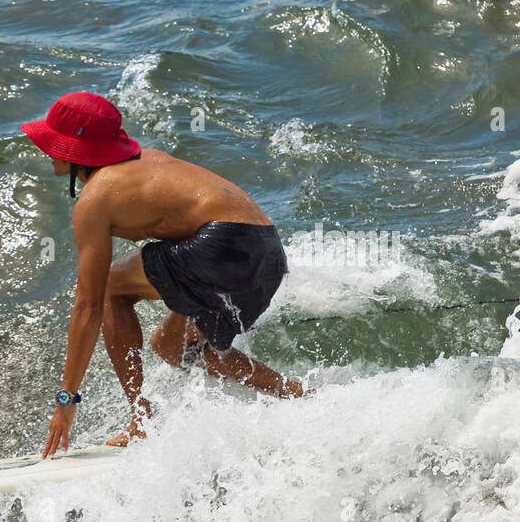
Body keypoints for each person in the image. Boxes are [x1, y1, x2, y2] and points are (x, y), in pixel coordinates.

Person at [22, 91, 311, 459]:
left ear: (75, 149)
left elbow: (87, 308)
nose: (47, 151)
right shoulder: (148, 162)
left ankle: (141, 421)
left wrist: (66, 399)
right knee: (173, 347)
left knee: (111, 285)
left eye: (54, 142)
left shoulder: (95, 198)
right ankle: (300, 396)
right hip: (267, 251)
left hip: (225, 244)